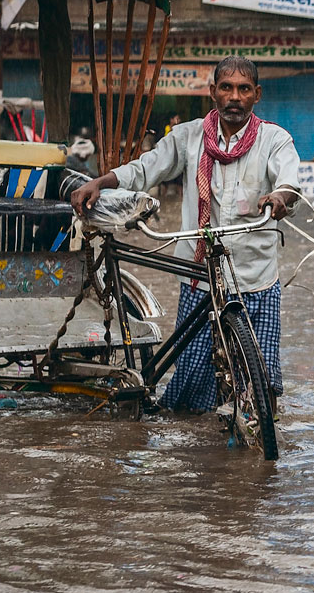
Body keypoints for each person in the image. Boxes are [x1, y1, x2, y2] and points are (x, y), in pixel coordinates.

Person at [69, 57, 301, 432]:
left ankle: (261, 431)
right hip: (200, 274)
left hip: (254, 274)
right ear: (213, 92)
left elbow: (290, 176)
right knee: (192, 390)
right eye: (226, 88)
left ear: (256, 95)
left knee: (262, 384)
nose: (234, 97)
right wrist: (102, 181)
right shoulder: (189, 136)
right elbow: (146, 169)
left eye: (244, 89)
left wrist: (280, 196)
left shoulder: (274, 139)